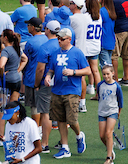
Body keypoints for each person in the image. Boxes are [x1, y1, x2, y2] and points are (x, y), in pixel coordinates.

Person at [45, 27, 87, 159]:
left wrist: (73, 72)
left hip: (72, 90)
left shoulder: (77, 53)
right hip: (57, 90)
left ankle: (79, 135)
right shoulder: (55, 53)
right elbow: (51, 69)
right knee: (60, 120)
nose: (59, 41)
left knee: (72, 119)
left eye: (62, 39)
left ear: (69, 39)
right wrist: (48, 76)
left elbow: (88, 70)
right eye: (58, 38)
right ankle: (65, 147)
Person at [96, 66, 123, 164]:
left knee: (108, 133)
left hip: (112, 111)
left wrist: (118, 112)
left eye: (108, 74)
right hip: (102, 112)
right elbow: (99, 96)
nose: (106, 76)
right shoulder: (100, 85)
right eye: (104, 74)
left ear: (112, 73)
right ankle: (110, 148)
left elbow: (120, 101)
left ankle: (109, 158)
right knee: (102, 136)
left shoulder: (116, 86)